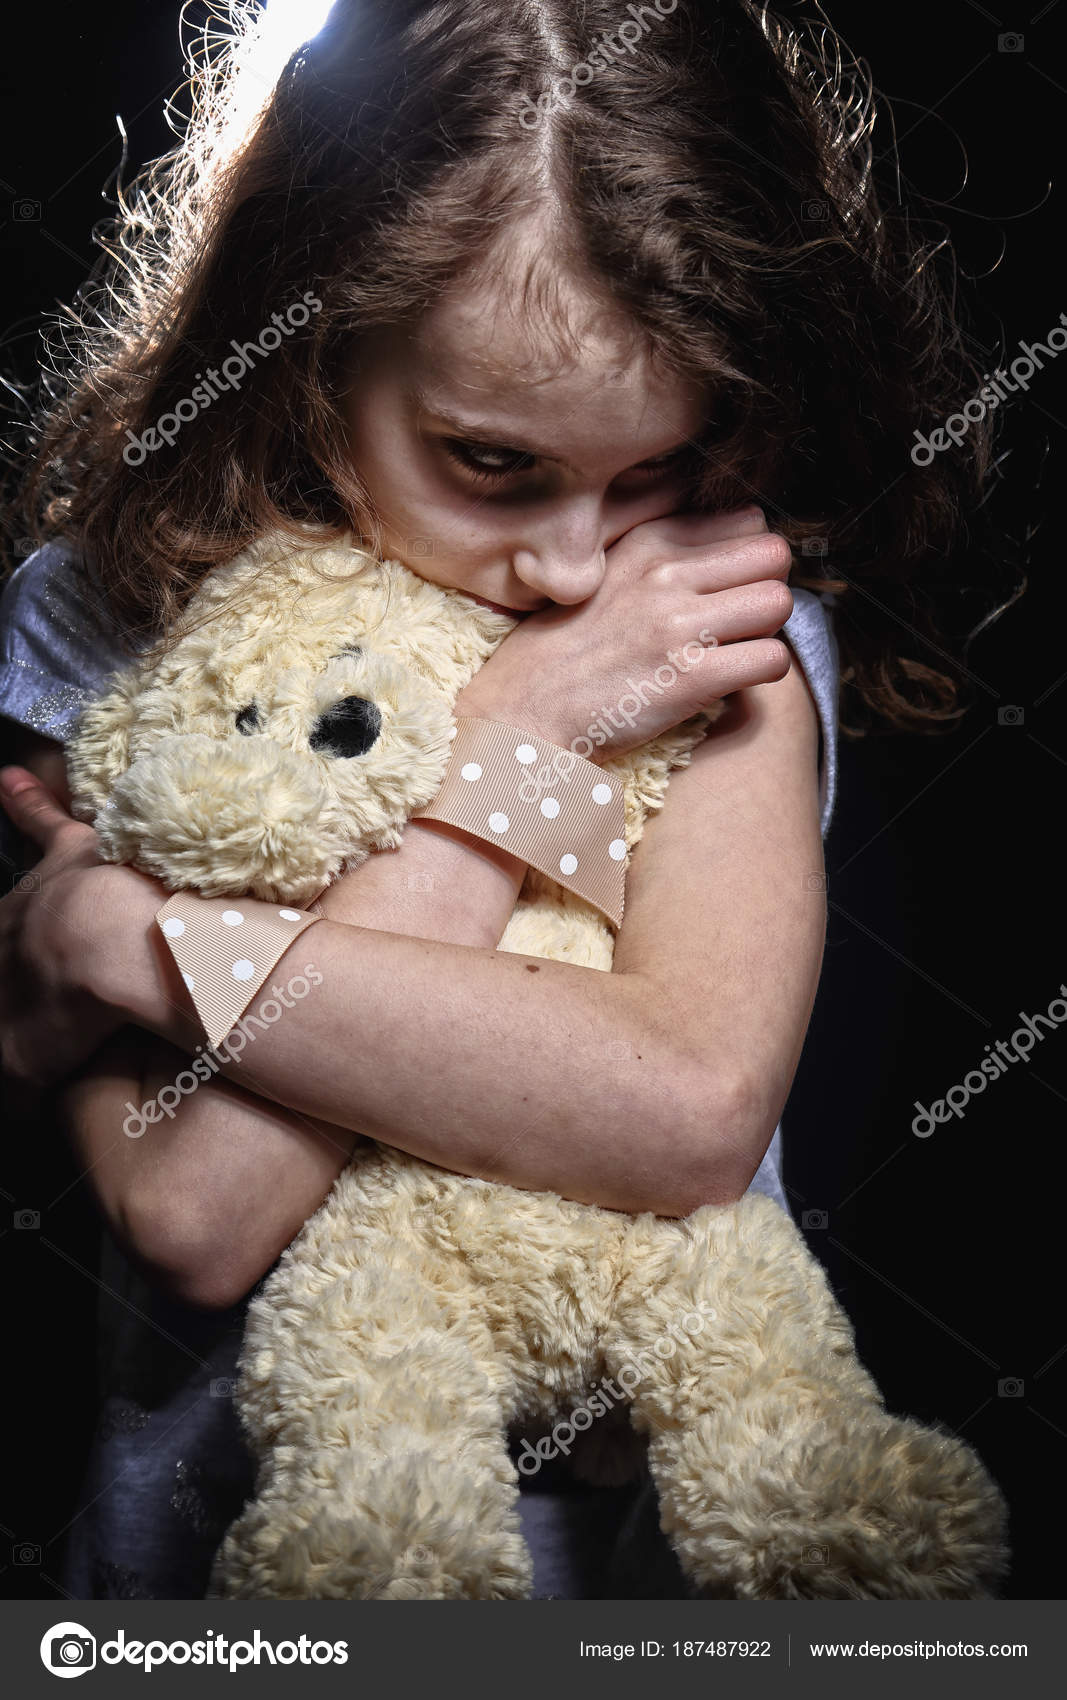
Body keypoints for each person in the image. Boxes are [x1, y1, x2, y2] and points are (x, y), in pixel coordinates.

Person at [0, 0, 996, 1598]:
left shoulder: (712, 626)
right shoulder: (105, 617)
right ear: (309, 340)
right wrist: (519, 746)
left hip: (613, 1581)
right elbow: (200, 1204)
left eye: (656, 467)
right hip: (202, 1571)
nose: (579, 565)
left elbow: (680, 1112)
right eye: (491, 463)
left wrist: (123, 939)